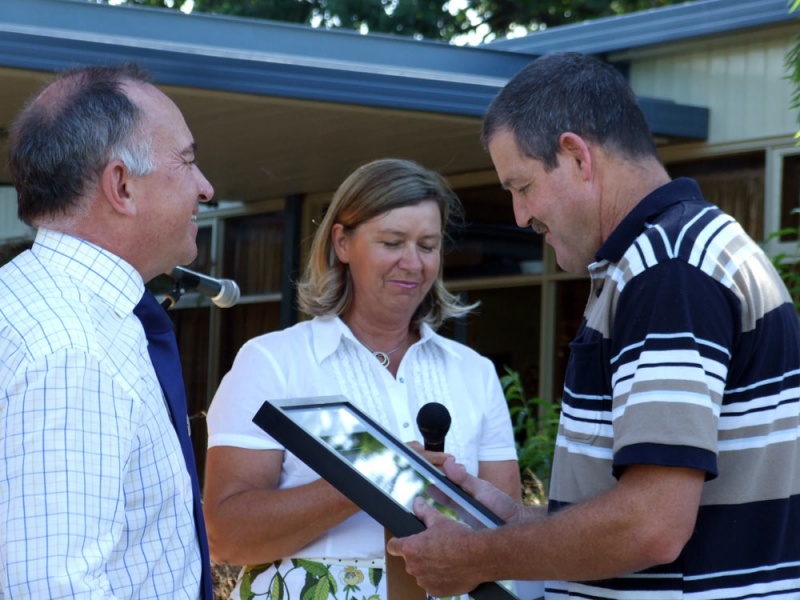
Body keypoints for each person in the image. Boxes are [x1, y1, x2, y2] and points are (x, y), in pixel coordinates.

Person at [387, 51, 800, 599]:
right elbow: (675, 516)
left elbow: (651, 525)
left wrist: (475, 556)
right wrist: (514, 522)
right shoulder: (688, 252)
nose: (519, 216)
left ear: (577, 155)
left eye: (521, 186)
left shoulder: (666, 272)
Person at [203, 158, 521, 599]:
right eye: (392, 242)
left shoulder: (474, 372)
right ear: (342, 242)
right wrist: (379, 476)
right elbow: (226, 536)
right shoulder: (272, 362)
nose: (413, 263)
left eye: (428, 246)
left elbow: (507, 538)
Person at [0, 63, 215, 598]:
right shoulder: (73, 350)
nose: (206, 188)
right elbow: (50, 588)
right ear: (121, 185)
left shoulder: (35, 304)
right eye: (187, 161)